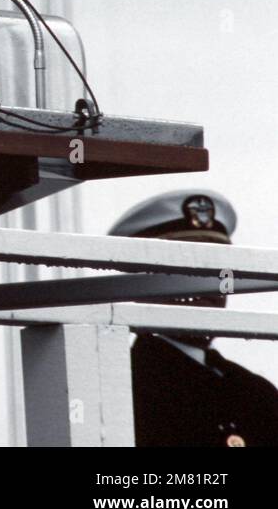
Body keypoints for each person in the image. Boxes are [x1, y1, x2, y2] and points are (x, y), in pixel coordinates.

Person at [110, 189, 278, 446]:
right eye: (186, 268)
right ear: (140, 279)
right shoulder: (122, 388)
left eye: (217, 268)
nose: (205, 282)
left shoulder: (254, 392)